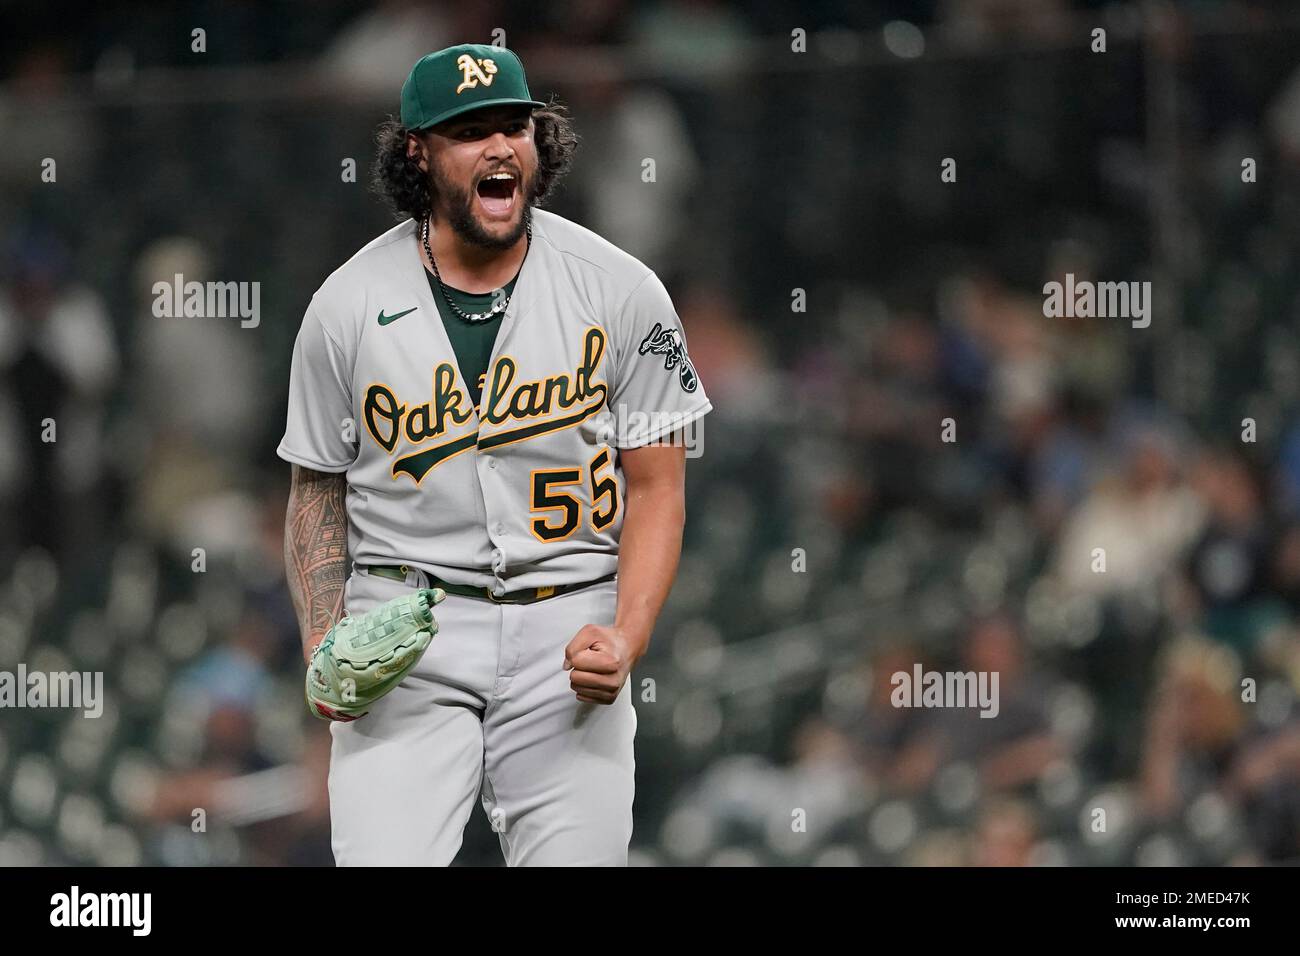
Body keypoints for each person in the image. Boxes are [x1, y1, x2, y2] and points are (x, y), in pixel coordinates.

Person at [276, 43, 711, 866]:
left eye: (514, 125)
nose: (500, 147)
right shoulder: (345, 305)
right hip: (405, 630)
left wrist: (627, 635)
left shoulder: (621, 290)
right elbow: (314, 489)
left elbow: (658, 486)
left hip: (567, 623)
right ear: (418, 153)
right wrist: (324, 638)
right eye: (469, 131)